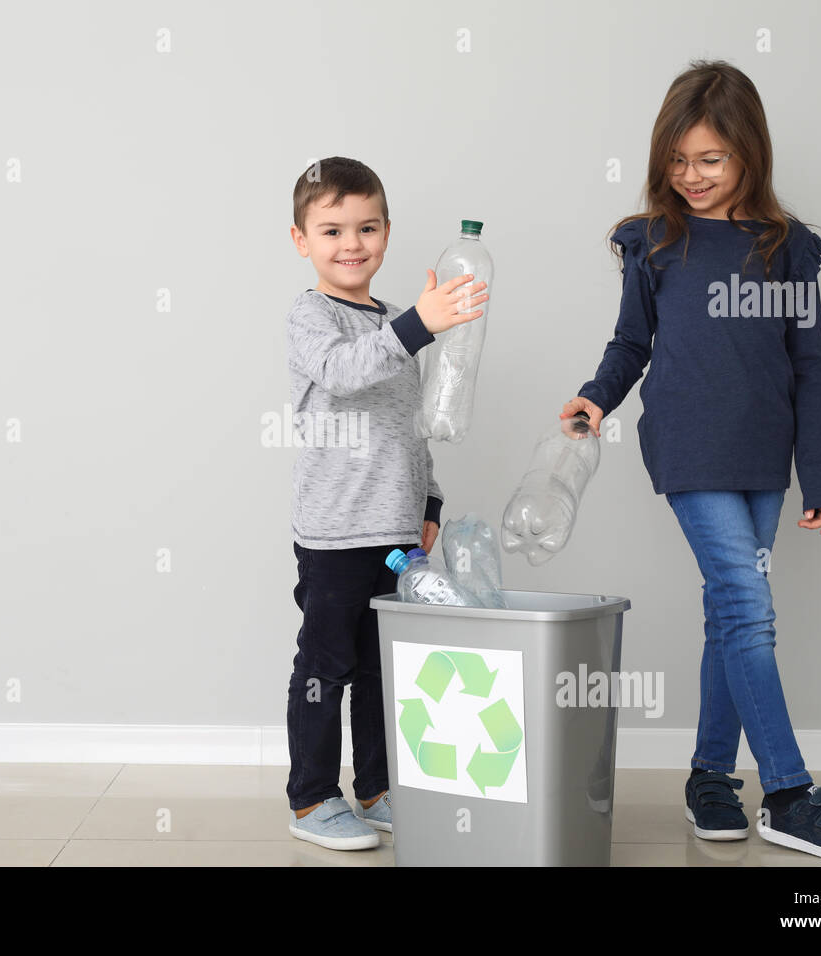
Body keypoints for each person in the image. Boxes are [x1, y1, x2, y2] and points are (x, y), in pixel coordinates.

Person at [562, 60, 821, 863]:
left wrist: (820, 475)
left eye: (710, 159)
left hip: (762, 459)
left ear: (750, 152)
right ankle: (789, 793)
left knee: (727, 611)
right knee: (750, 608)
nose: (691, 177)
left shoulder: (788, 250)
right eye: (677, 161)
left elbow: (809, 367)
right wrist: (595, 397)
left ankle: (711, 778)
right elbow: (631, 342)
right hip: (686, 445)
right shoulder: (656, 242)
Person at [284, 156, 487, 850]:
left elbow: (414, 421)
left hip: (397, 528)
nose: (351, 244)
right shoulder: (312, 317)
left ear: (387, 233)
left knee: (381, 669)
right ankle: (311, 798)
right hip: (337, 532)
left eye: (366, 228)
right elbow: (346, 374)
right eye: (332, 229)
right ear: (301, 240)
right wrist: (418, 327)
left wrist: (429, 499)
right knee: (326, 666)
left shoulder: (401, 320)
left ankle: (375, 787)